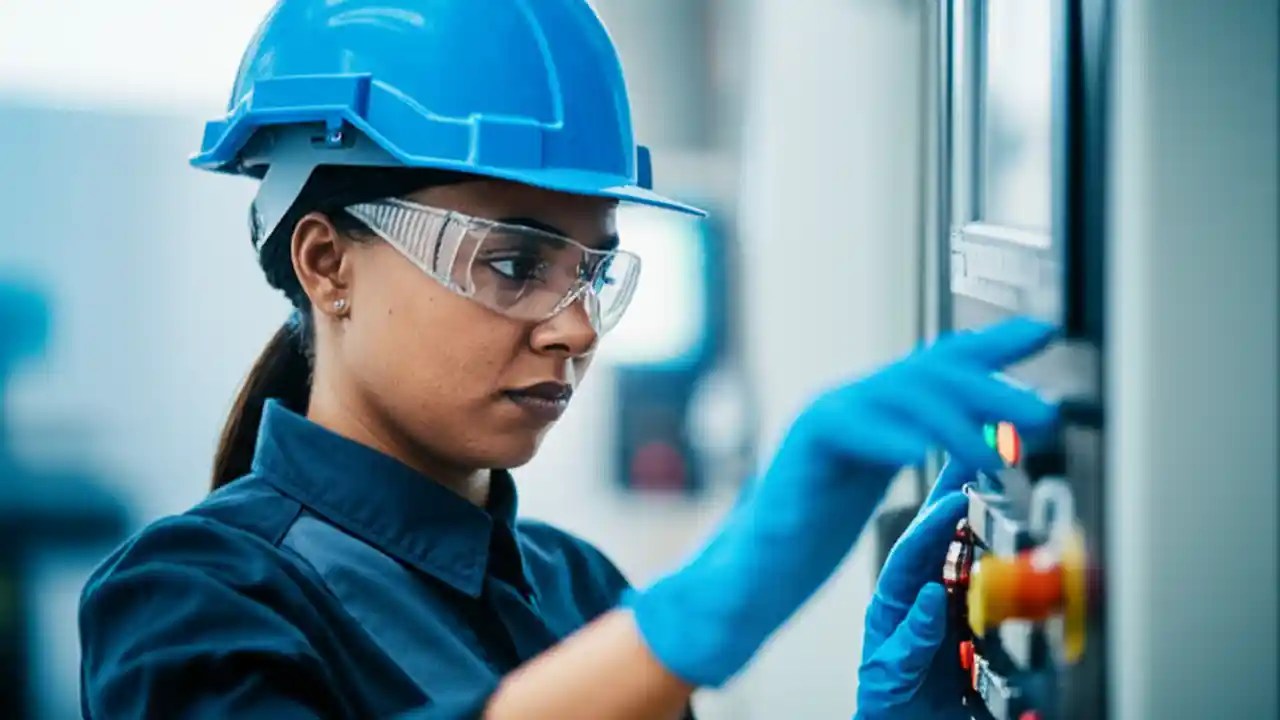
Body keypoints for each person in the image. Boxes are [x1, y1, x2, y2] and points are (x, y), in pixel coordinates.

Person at [77, 1, 1057, 718]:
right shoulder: (189, 597)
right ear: (327, 264)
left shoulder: (578, 589)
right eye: (511, 262)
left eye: (592, 274)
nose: (576, 330)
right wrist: (693, 618)